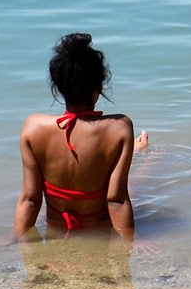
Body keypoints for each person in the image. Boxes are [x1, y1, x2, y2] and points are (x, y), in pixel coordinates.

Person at [15, 33, 146, 241]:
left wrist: (15, 239)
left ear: (58, 88)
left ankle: (140, 151)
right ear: (99, 88)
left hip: (57, 232)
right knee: (138, 183)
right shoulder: (119, 128)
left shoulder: (33, 128)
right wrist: (131, 243)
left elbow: (30, 200)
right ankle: (144, 153)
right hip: (99, 232)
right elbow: (117, 200)